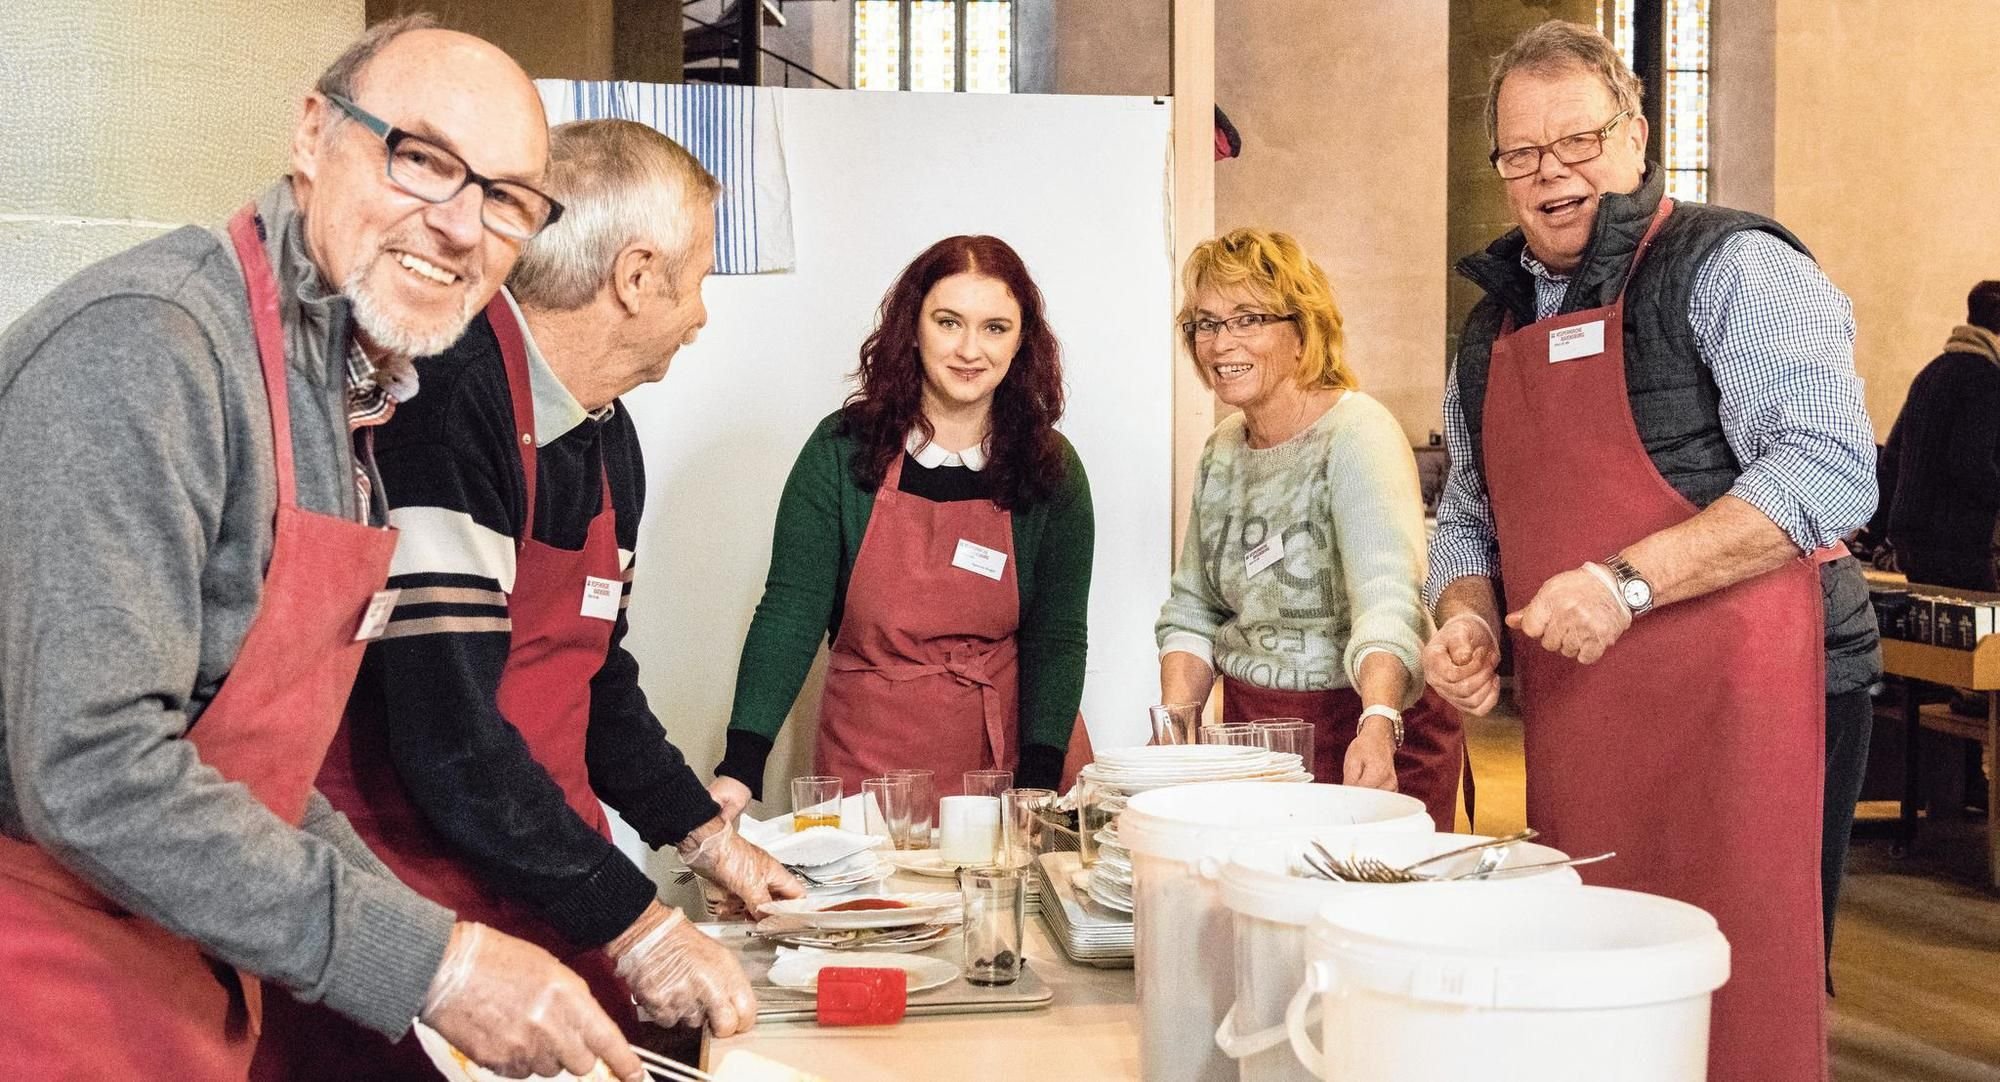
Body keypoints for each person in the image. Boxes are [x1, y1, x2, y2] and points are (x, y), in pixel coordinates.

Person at [0, 17, 647, 1082]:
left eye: (504, 199)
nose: (458, 226)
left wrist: (438, 950)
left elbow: (245, 764)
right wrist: (437, 962)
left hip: (179, 982)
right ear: (313, 132)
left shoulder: (344, 387)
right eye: (424, 159)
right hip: (43, 986)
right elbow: (94, 771)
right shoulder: (148, 345)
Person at [251, 120, 801, 1078]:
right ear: (636, 276)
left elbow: (597, 676)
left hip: (539, 871)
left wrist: (705, 838)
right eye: (701, 278)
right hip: (414, 899)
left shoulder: (605, 432)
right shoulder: (444, 400)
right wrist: (637, 923)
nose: (703, 314)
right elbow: (448, 734)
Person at [1421, 21, 1880, 1082]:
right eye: (1521, 154)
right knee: (1597, 988)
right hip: (1587, 709)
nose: (1551, 174)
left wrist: (1624, 581)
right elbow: (1467, 515)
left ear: (1634, 136)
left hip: (1760, 695)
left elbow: (1827, 469)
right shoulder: (1487, 325)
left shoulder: (1734, 265)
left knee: (1739, 991)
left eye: (1575, 140)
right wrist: (1464, 613)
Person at [712, 236, 1095, 810]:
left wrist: (1036, 783)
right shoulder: (841, 451)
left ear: (1023, 341)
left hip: (1005, 770)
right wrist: (740, 767)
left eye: (995, 327)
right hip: (867, 762)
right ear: (912, 327)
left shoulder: (1051, 469)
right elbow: (791, 611)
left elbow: (1057, 638)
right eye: (948, 322)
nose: (971, 349)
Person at [1155, 229, 1465, 830]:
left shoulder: (1357, 435)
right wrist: (1175, 730)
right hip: (1255, 738)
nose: (1222, 342)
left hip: (1367, 726)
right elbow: (1195, 609)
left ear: (1304, 332)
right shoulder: (1222, 449)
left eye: (1248, 318)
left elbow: (1388, 601)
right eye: (1206, 323)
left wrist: (1378, 724)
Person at [1883, 281, 2000, 591]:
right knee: (1982, 634)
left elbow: (1892, 456)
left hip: (1914, 539)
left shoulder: (1932, 372)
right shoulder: (1985, 379)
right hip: (1958, 541)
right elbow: (1971, 464)